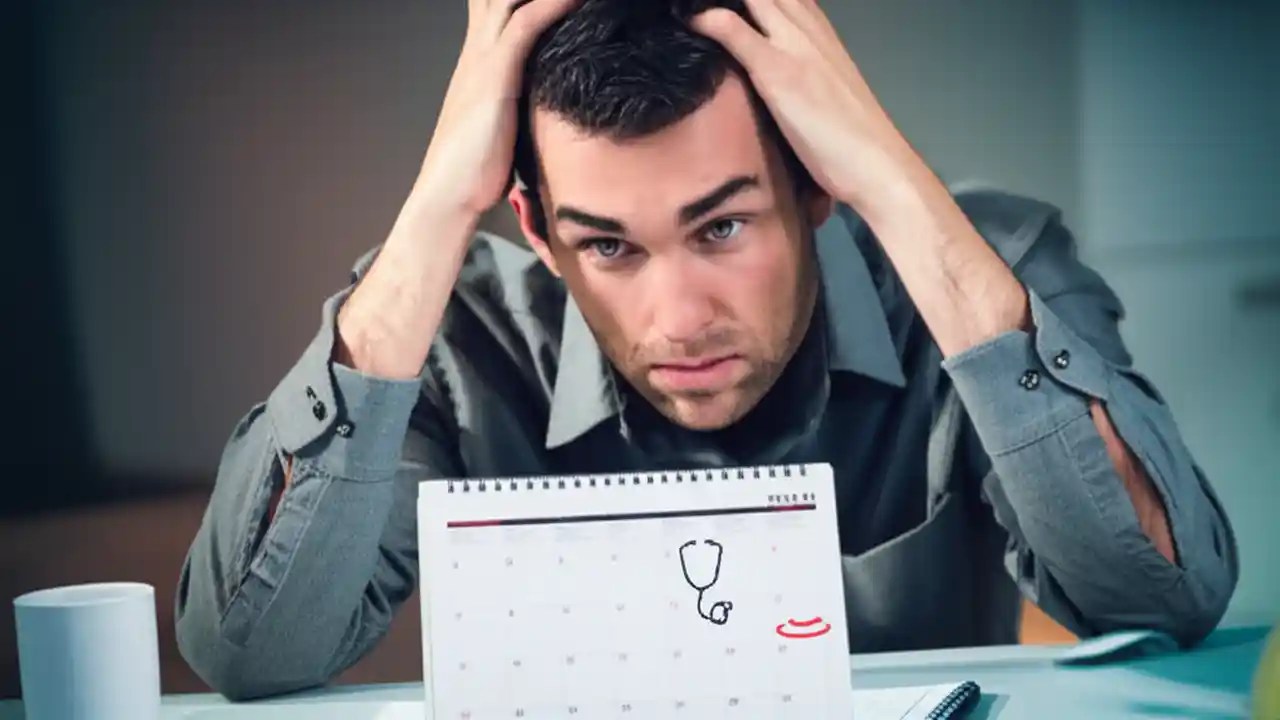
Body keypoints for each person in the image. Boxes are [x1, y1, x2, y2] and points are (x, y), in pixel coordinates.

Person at [175, 0, 1238, 701]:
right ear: (537, 229)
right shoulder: (454, 336)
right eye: (606, 244)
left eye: (721, 227)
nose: (677, 318)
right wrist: (437, 205)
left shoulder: (980, 271)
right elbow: (247, 650)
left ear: (815, 182)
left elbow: (1163, 598)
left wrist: (889, 179)